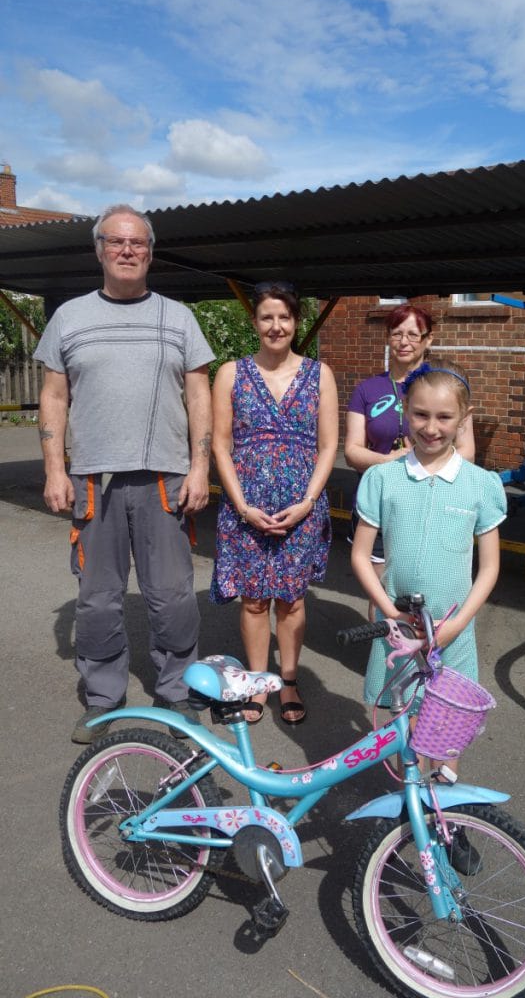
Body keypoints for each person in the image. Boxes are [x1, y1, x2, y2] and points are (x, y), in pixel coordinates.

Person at [34, 203, 214, 744]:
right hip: (93, 479)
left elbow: (200, 393)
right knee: (97, 599)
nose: (128, 250)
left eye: (138, 243)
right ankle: (103, 700)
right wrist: (53, 470)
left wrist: (200, 467)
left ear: (151, 252)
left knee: (173, 596)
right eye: (116, 241)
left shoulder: (178, 317)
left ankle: (177, 695)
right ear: (99, 250)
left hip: (164, 477)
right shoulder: (69, 318)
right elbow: (53, 395)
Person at [351, 360, 506, 779]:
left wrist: (456, 625)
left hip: (453, 636)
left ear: (463, 419)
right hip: (397, 633)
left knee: (446, 732)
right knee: (404, 731)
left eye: (444, 417)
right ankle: (410, 814)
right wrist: (390, 613)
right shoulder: (382, 479)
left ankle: (446, 821)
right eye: (421, 414)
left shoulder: (480, 485)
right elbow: (361, 556)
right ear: (404, 411)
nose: (431, 427)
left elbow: (489, 568)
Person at [209, 282, 339, 724]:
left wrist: (307, 502)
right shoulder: (230, 373)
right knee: (253, 601)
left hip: (300, 511)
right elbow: (221, 446)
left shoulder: (320, 375)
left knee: (292, 601)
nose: (276, 326)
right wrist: (243, 506)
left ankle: (288, 681)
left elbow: (329, 446)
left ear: (296, 322)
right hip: (246, 511)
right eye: (267, 317)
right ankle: (256, 682)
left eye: (284, 317)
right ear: (255, 323)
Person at [344, 303, 475, 565]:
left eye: (414, 335)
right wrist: (392, 461)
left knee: (428, 586)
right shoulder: (367, 389)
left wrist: (423, 467)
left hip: (434, 501)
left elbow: (467, 452)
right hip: (381, 501)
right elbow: (352, 451)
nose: (404, 342)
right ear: (388, 338)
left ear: (428, 340)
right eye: (396, 334)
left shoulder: (447, 384)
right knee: (381, 596)